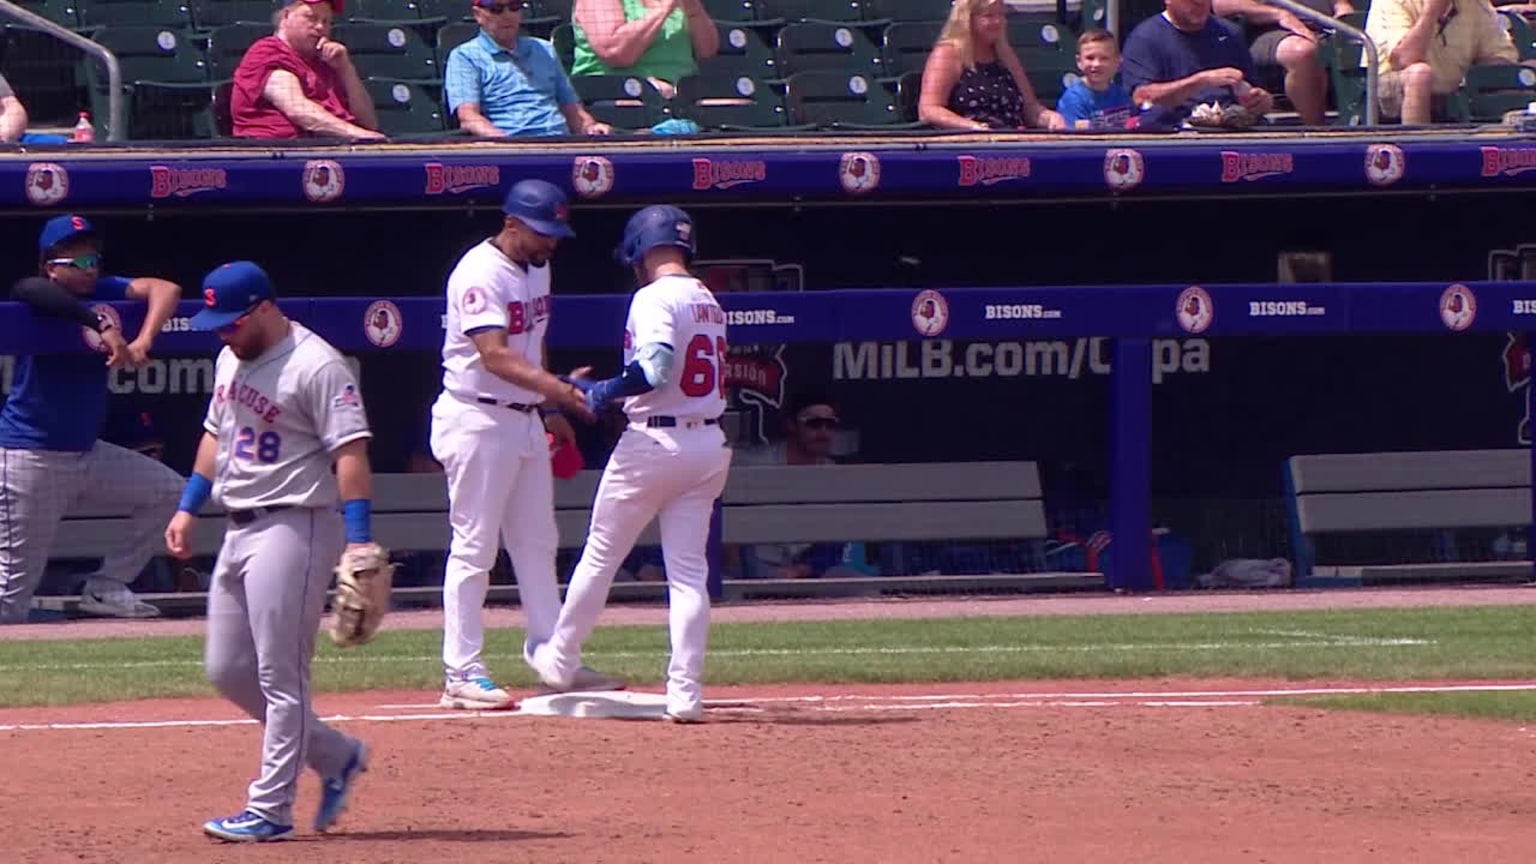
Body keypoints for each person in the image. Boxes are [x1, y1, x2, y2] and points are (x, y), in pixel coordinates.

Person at [166, 261, 372, 842]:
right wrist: (187, 505)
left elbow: (351, 450)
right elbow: (215, 433)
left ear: (264, 308)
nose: (222, 332)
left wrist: (359, 539)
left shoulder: (317, 364)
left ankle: (271, 810)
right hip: (237, 525)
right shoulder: (231, 355)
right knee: (227, 669)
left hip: (295, 525)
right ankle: (336, 755)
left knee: (283, 675)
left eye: (232, 321)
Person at [525, 204, 732, 724]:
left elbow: (655, 367)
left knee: (600, 554)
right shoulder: (707, 298)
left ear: (641, 248)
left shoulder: (653, 297)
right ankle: (685, 694)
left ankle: (561, 656)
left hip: (653, 444)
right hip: (706, 444)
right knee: (688, 574)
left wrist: (606, 392)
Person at [431, 178, 625, 710]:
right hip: (476, 416)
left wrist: (545, 406)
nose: (551, 242)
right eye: (542, 231)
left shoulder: (538, 265)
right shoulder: (478, 273)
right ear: (511, 223)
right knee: (474, 547)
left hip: (520, 418)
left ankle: (553, 656)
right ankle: (461, 671)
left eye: (556, 232)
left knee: (538, 542)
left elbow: (533, 342)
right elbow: (494, 355)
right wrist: (561, 392)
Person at [0, 214, 183, 624]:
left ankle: (106, 586)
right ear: (51, 266)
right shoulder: (40, 296)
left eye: (93, 259)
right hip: (31, 458)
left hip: (87, 454)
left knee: (169, 491)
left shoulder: (106, 289)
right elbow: (24, 288)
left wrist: (144, 338)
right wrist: (99, 323)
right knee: (8, 602)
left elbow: (166, 288)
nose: (90, 269)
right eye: (77, 262)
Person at [444, 0, 613, 138]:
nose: (507, 15)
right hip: (513, 149)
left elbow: (572, 109)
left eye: (514, 7)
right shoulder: (465, 57)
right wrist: (507, 144)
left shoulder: (544, 49)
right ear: (478, 15)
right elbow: (468, 117)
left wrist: (591, 127)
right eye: (496, 9)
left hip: (560, 144)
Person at [231, 0, 384, 140]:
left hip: (331, 149)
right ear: (286, 16)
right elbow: (299, 110)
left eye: (326, 21)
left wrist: (346, 69)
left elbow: (368, 123)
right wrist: (361, 136)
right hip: (280, 153)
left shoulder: (326, 60)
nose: (320, 27)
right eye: (312, 18)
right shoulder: (268, 52)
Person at [1119, 0, 1276, 130]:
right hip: (1177, 129)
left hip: (1231, 125)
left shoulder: (1229, 32)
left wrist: (1260, 100)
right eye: (1192, 1)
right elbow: (1142, 97)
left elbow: (1258, 92)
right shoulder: (1146, 38)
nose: (1199, 5)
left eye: (1204, 1)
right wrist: (1200, 81)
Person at [917, 0, 1067, 130]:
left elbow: (1030, 108)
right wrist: (972, 127)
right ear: (968, 19)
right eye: (989, 16)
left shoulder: (1005, 56)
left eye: (1001, 15)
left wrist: (1050, 117)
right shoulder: (947, 54)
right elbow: (929, 109)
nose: (998, 21)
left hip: (1011, 139)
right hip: (968, 144)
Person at [570, 0, 721, 100]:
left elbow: (707, 51)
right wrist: (665, 9)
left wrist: (693, 10)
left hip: (683, 92)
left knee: (730, 106)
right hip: (616, 91)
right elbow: (615, 52)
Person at [1056, 28, 1136, 130]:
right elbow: (1076, 140)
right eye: (1090, 58)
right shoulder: (1074, 99)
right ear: (1079, 61)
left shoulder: (1120, 94)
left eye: (1104, 58)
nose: (1096, 64)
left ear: (1118, 61)